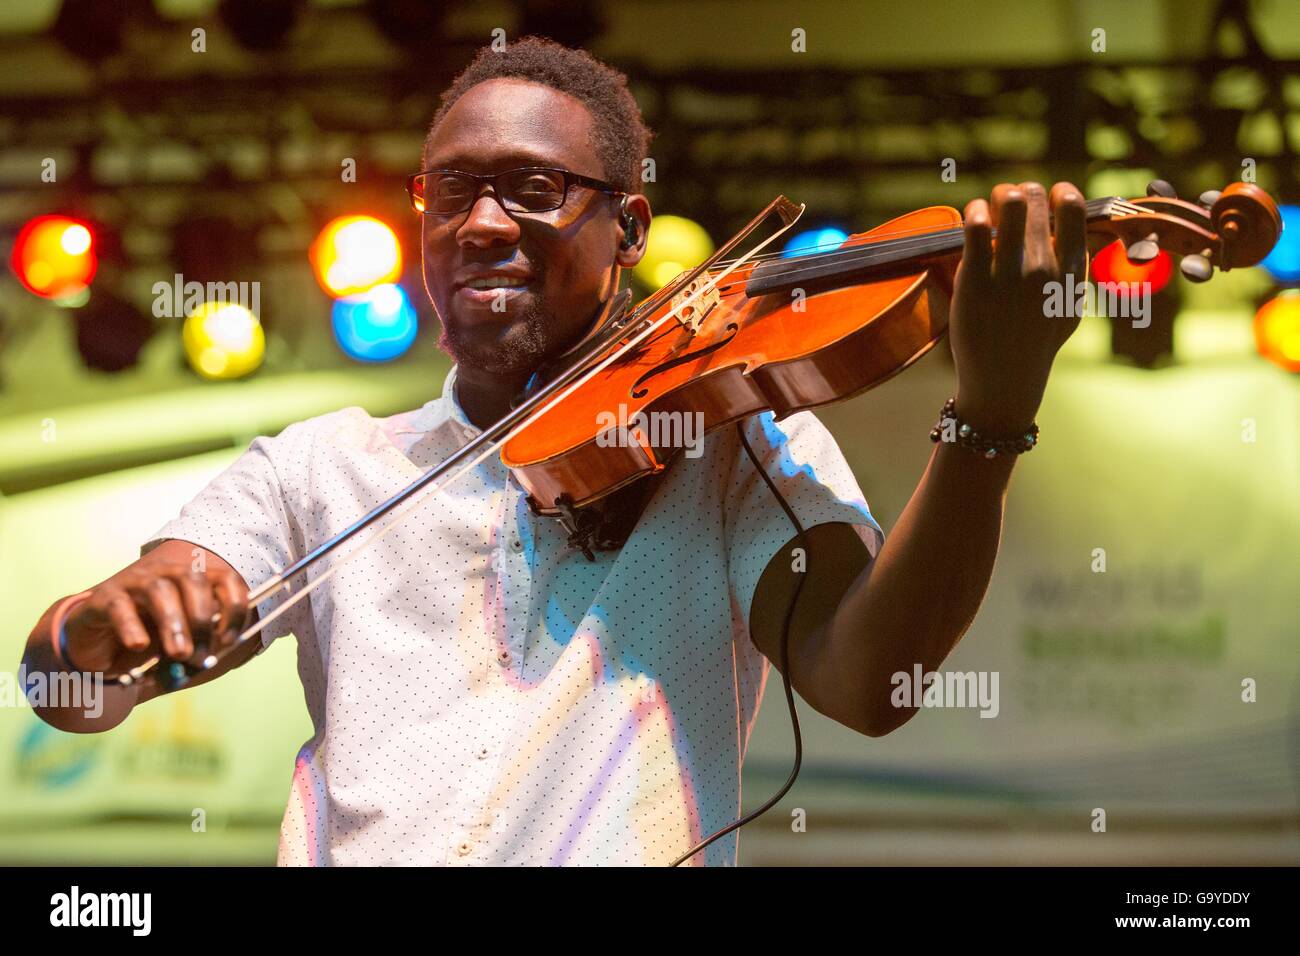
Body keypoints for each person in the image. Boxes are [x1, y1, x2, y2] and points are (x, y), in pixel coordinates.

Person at [21, 37, 1087, 866]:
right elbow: (65, 695)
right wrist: (87, 631)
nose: (482, 222)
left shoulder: (730, 442)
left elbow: (870, 678)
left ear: (629, 228)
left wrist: (989, 417)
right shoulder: (315, 469)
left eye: (532, 190)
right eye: (452, 190)